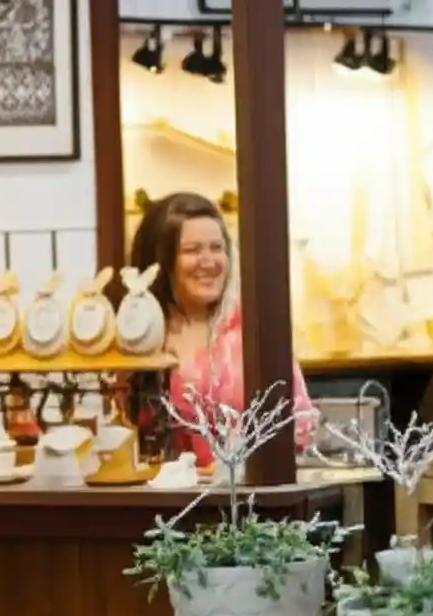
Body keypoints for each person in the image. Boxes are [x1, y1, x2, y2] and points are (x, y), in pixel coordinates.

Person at [129, 192, 316, 469]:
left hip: (250, 500)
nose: (209, 262)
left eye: (217, 247)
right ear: (161, 260)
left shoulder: (253, 330)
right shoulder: (137, 335)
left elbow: (299, 423)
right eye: (192, 250)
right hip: (164, 501)